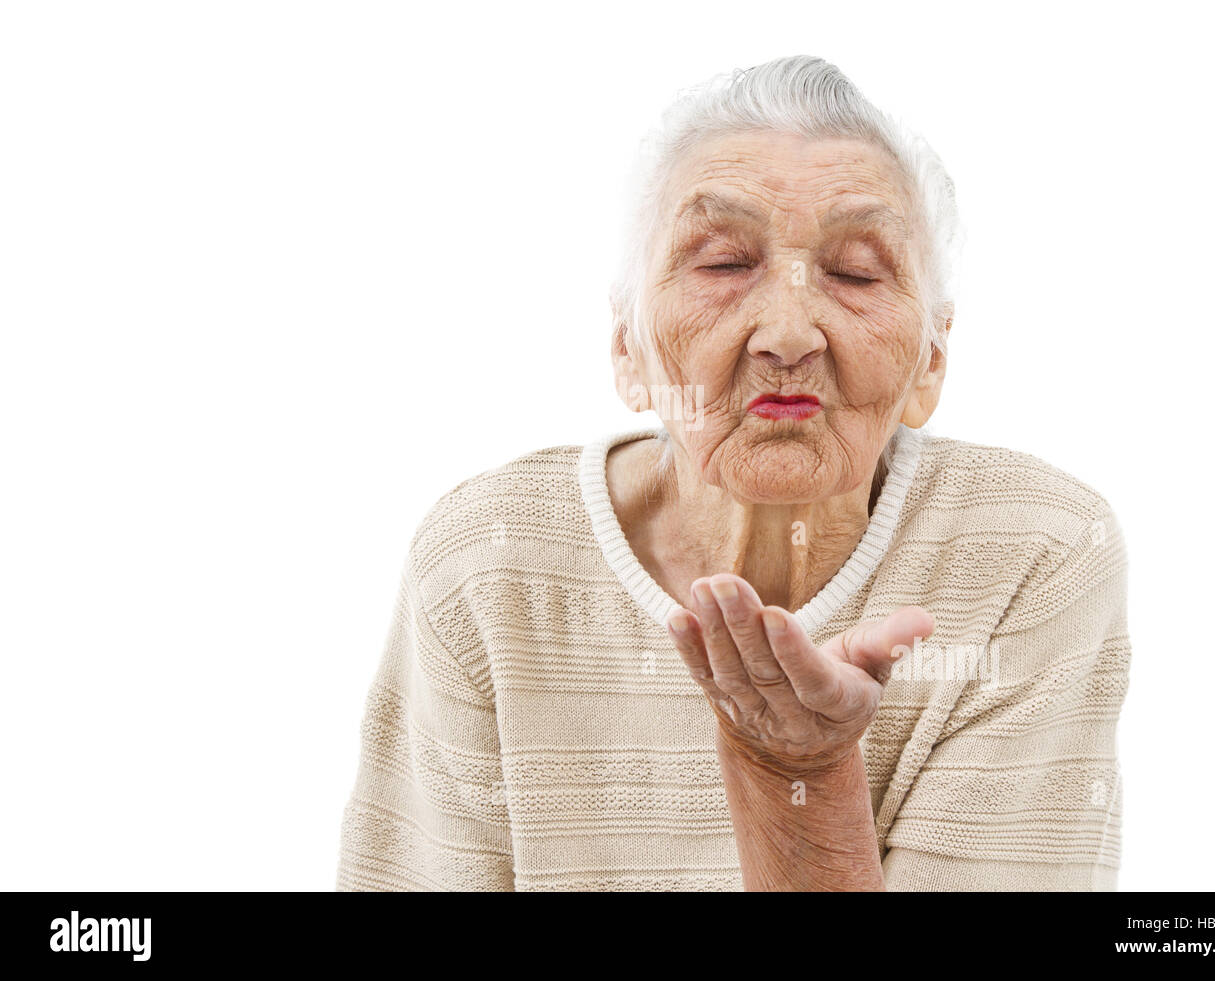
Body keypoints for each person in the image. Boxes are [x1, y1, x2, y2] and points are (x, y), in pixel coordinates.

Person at [334, 54, 1131, 891]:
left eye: (856, 272)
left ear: (931, 361)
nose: (788, 333)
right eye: (721, 264)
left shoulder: (1034, 555)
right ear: (627, 347)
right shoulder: (487, 565)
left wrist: (803, 775)